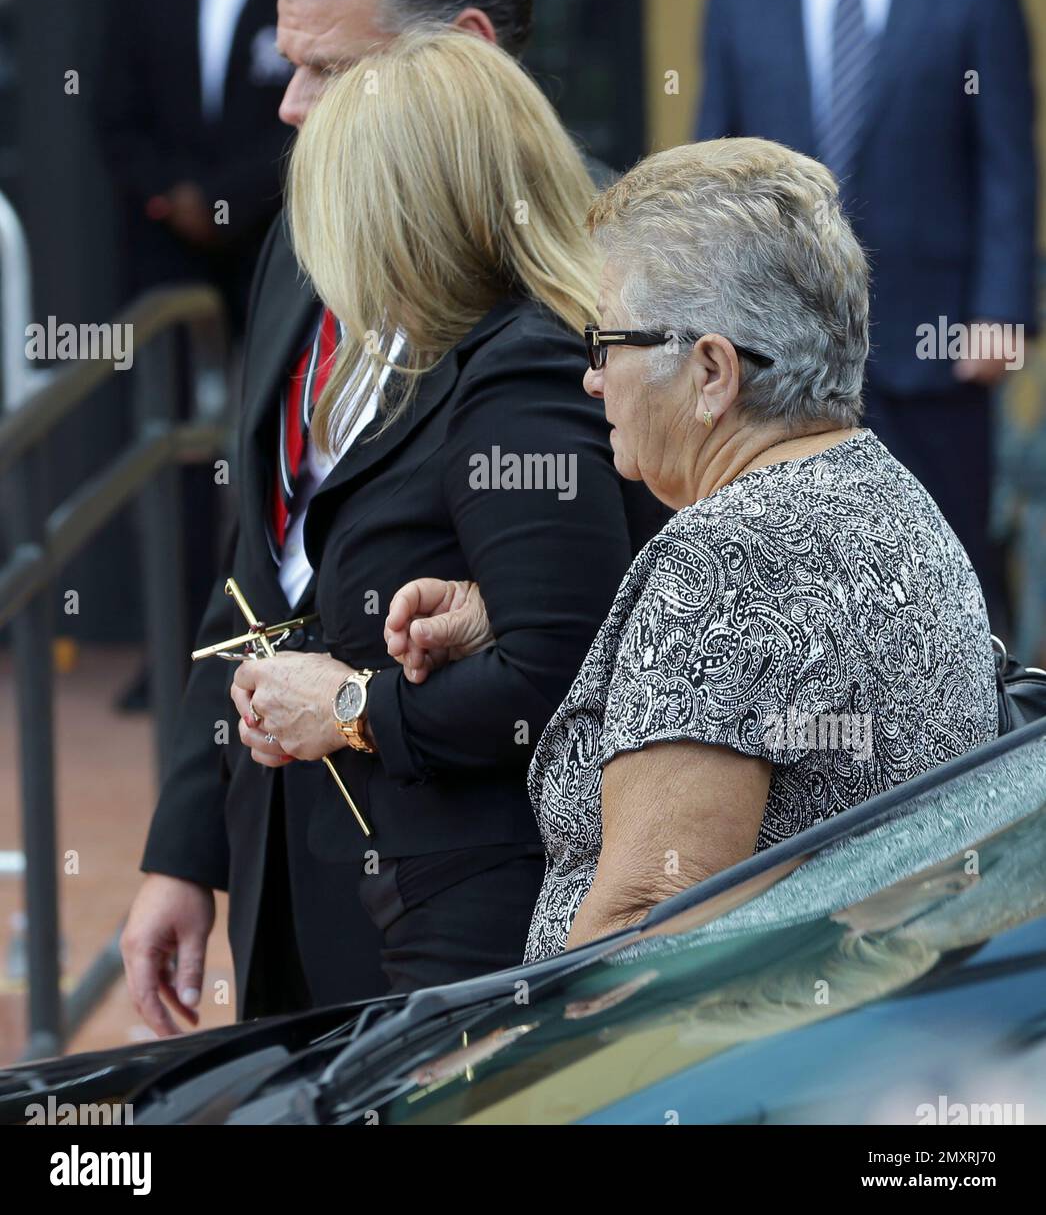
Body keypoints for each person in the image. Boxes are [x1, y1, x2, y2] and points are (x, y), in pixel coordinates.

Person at [122, 0, 667, 1036]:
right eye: (287, 61)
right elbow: (257, 561)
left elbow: (579, 645)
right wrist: (185, 847)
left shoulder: (592, 289)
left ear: (458, 48)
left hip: (469, 900)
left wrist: (366, 699)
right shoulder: (303, 241)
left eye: (327, 68)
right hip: (285, 869)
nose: (288, 104)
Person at [385, 138, 1000, 963]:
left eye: (606, 343)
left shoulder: (725, 562)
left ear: (711, 371)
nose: (591, 378)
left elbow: (653, 933)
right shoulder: (889, 496)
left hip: (738, 1081)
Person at [694, 0, 1038, 625]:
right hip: (780, 343)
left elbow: (1007, 160)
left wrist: (1001, 312)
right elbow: (715, 170)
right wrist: (711, 317)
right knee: (798, 571)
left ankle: (987, 743)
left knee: (955, 568)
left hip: (937, 346)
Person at [98, 0, 292, 689]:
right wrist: (174, 197)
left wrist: (229, 204)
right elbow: (112, 112)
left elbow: (314, 107)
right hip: (169, 248)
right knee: (169, 449)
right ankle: (175, 646)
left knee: (269, 438)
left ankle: (267, 633)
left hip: (269, 241)